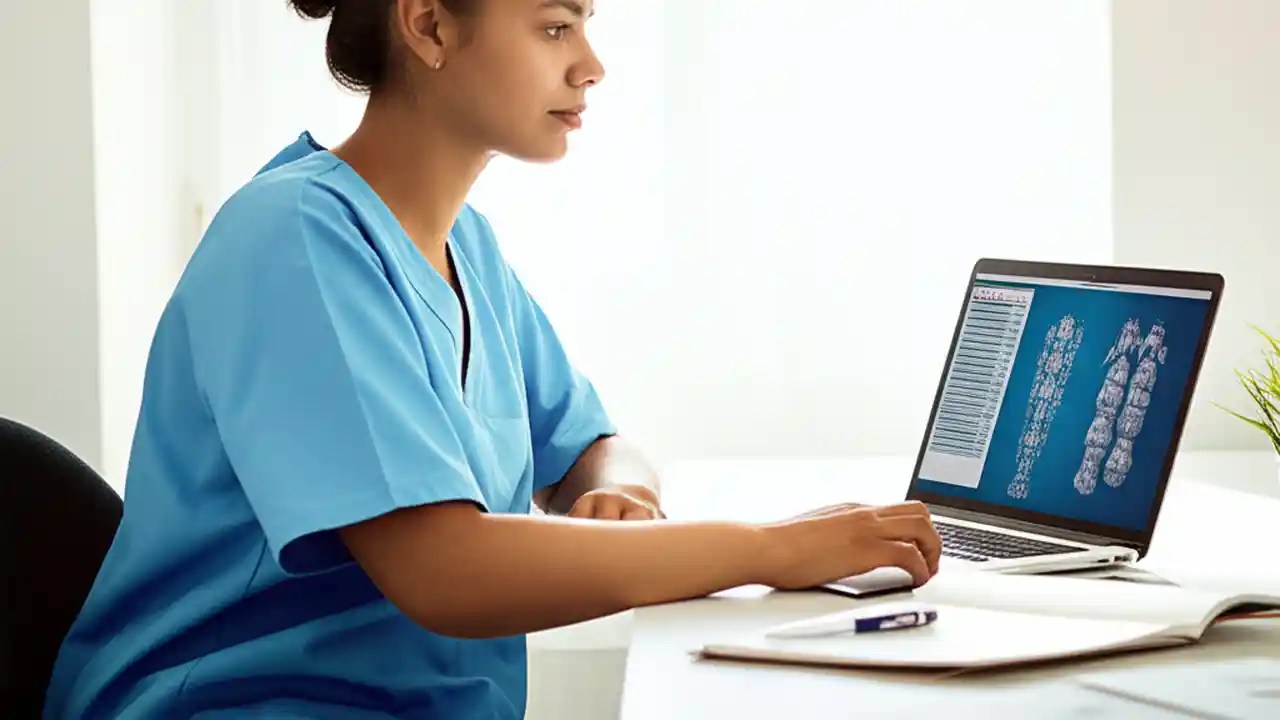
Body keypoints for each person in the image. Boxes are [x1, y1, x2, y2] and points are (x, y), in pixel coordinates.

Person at [43, 1, 942, 717]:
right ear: (429, 25)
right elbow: (445, 571)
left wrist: (622, 493)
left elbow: (591, 441)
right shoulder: (293, 240)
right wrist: (768, 550)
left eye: (587, 25)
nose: (590, 64)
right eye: (555, 26)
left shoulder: (466, 248)